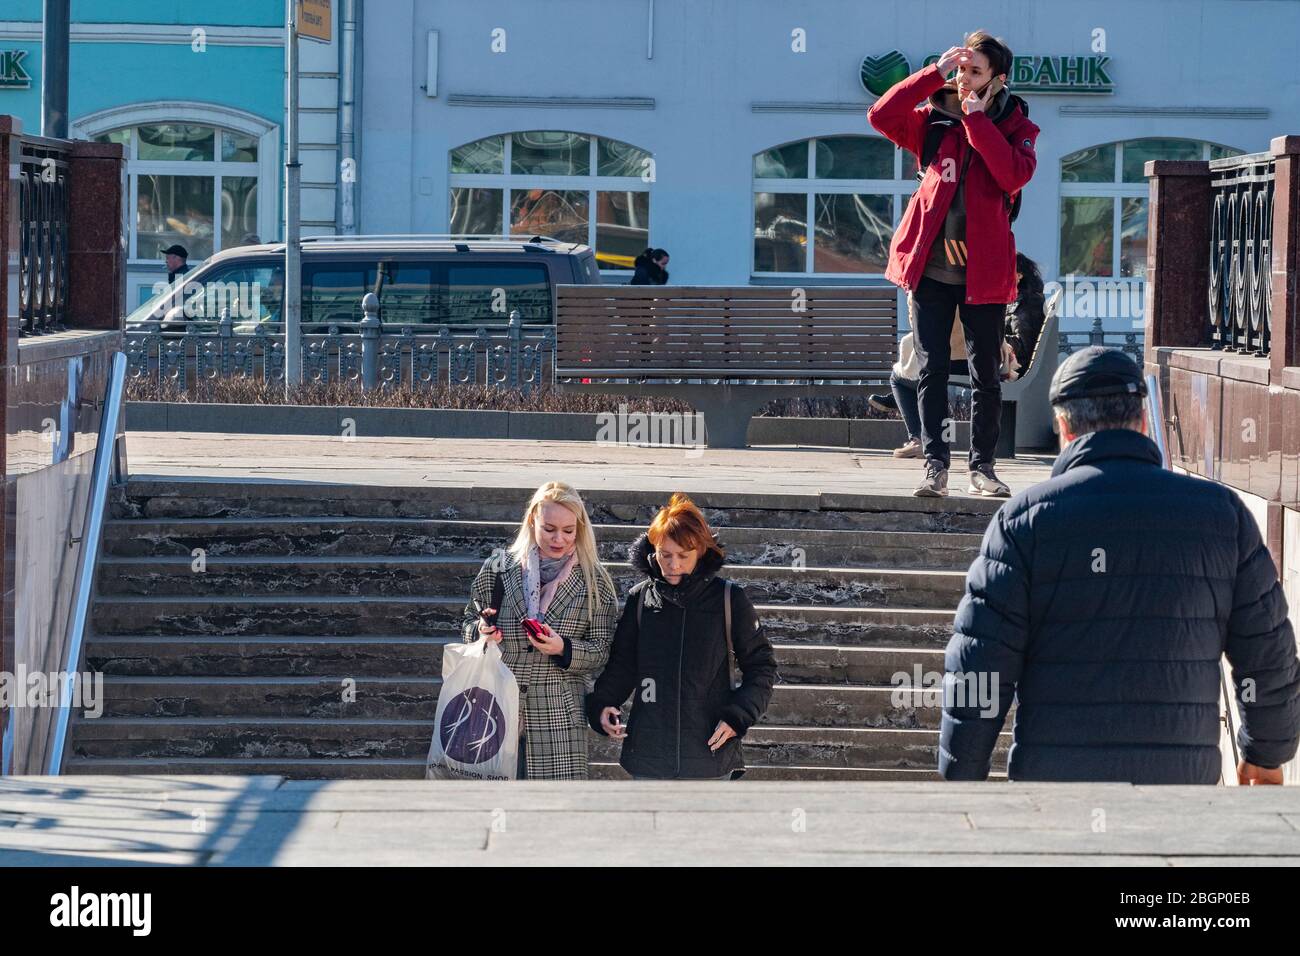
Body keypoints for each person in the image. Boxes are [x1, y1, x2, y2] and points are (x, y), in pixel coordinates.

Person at [938, 347, 1300, 784]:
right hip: (1183, 790)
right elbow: (1266, 652)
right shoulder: (1222, 515)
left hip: (1053, 794)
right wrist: (1266, 754)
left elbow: (980, 666)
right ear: (1144, 422)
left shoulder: (1023, 522)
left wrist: (962, 773)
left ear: (1063, 427)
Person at [868, 31, 1040, 500]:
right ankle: (935, 467)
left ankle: (982, 468)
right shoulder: (934, 119)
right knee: (932, 369)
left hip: (984, 275)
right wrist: (933, 74)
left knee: (986, 374)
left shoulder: (1017, 127)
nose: (963, 79)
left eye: (974, 71)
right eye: (960, 69)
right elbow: (881, 115)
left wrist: (977, 120)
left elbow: (1012, 173)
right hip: (930, 270)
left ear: (998, 79)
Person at [586, 493, 777, 779]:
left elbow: (762, 667)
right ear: (653, 552)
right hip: (649, 757)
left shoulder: (729, 599)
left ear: (700, 552)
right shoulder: (640, 599)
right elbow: (623, 666)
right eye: (665, 555)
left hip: (710, 757)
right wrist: (603, 705)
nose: (673, 564)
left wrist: (737, 717)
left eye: (683, 556)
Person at [462, 481, 619, 779]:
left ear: (580, 529)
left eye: (568, 531)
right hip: (494, 706)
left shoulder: (594, 580)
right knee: (492, 801)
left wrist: (563, 648)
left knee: (553, 806)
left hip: (558, 717)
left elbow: (602, 649)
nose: (559, 539)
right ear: (533, 520)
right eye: (549, 529)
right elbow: (469, 620)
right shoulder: (499, 567)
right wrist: (481, 632)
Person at [873, 253, 1045, 462]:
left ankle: (917, 438)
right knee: (922, 370)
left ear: (1018, 275)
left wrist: (989, 337)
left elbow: (1022, 345)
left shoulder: (1024, 304)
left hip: (999, 363)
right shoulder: (1012, 300)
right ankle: (906, 411)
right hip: (985, 357)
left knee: (901, 378)